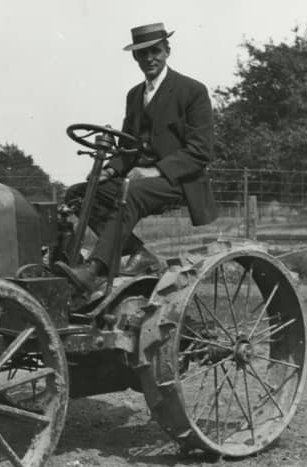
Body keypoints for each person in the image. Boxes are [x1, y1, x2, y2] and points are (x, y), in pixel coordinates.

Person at [55, 22, 219, 291]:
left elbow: (201, 151)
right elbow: (127, 149)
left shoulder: (192, 91)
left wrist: (156, 170)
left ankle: (94, 269)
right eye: (143, 54)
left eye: (155, 51)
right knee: (79, 193)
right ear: (135, 57)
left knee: (129, 192)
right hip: (139, 180)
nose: (150, 58)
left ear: (167, 51)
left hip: (179, 181)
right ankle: (139, 253)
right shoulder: (135, 95)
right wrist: (109, 170)